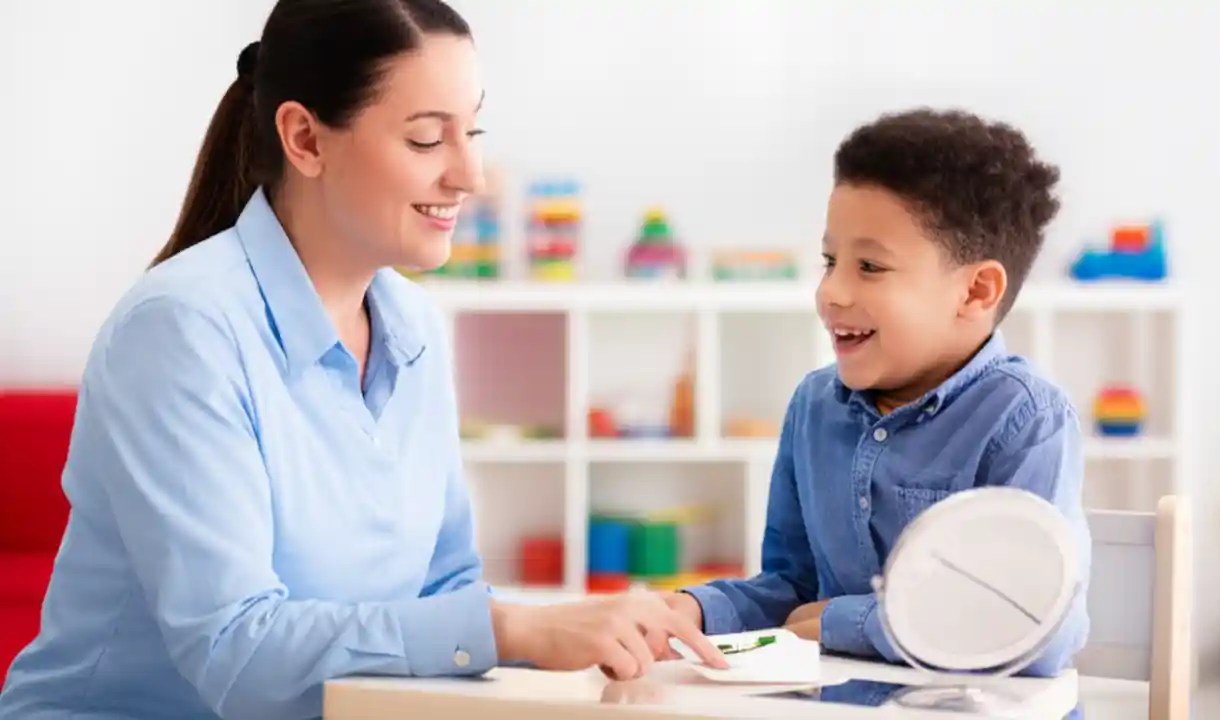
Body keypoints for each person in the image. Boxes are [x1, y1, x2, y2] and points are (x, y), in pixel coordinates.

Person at [0, 2, 725, 719]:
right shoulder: (181, 331)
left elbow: (443, 594)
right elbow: (237, 653)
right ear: (306, 140)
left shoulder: (412, 326)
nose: (470, 175)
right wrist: (516, 628)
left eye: (471, 132)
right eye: (425, 140)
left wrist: (584, 629)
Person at [664, 108, 1091, 677]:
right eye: (829, 260)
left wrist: (852, 624)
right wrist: (694, 610)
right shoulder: (814, 407)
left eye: (869, 266)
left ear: (976, 290)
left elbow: (1037, 633)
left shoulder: (1026, 420)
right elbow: (792, 591)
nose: (830, 292)